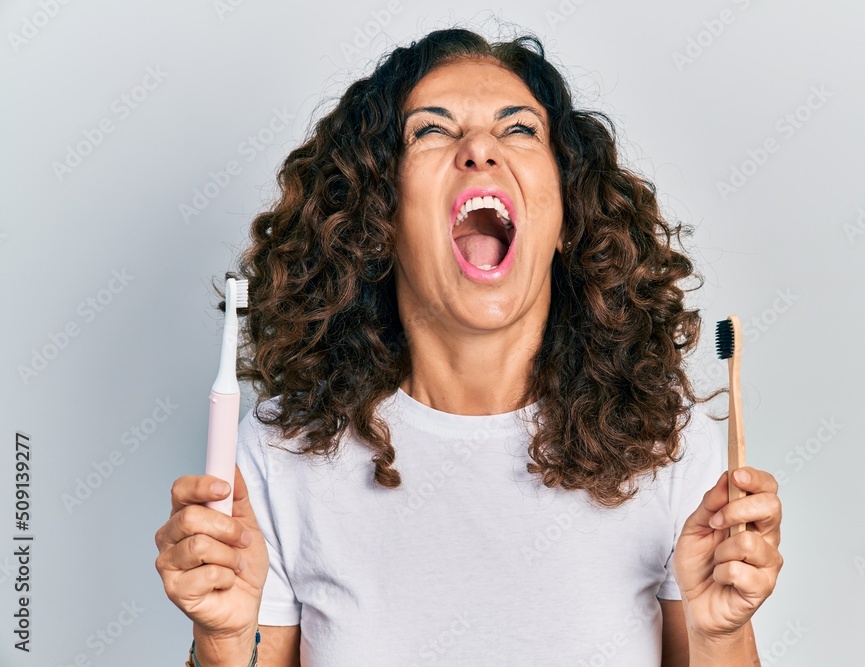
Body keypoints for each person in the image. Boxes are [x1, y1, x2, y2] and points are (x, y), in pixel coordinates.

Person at [154, 27, 783, 666]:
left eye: (519, 130)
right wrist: (224, 642)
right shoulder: (277, 453)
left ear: (567, 213)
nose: (480, 147)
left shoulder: (667, 445)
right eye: (431, 130)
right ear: (379, 218)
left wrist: (721, 636)